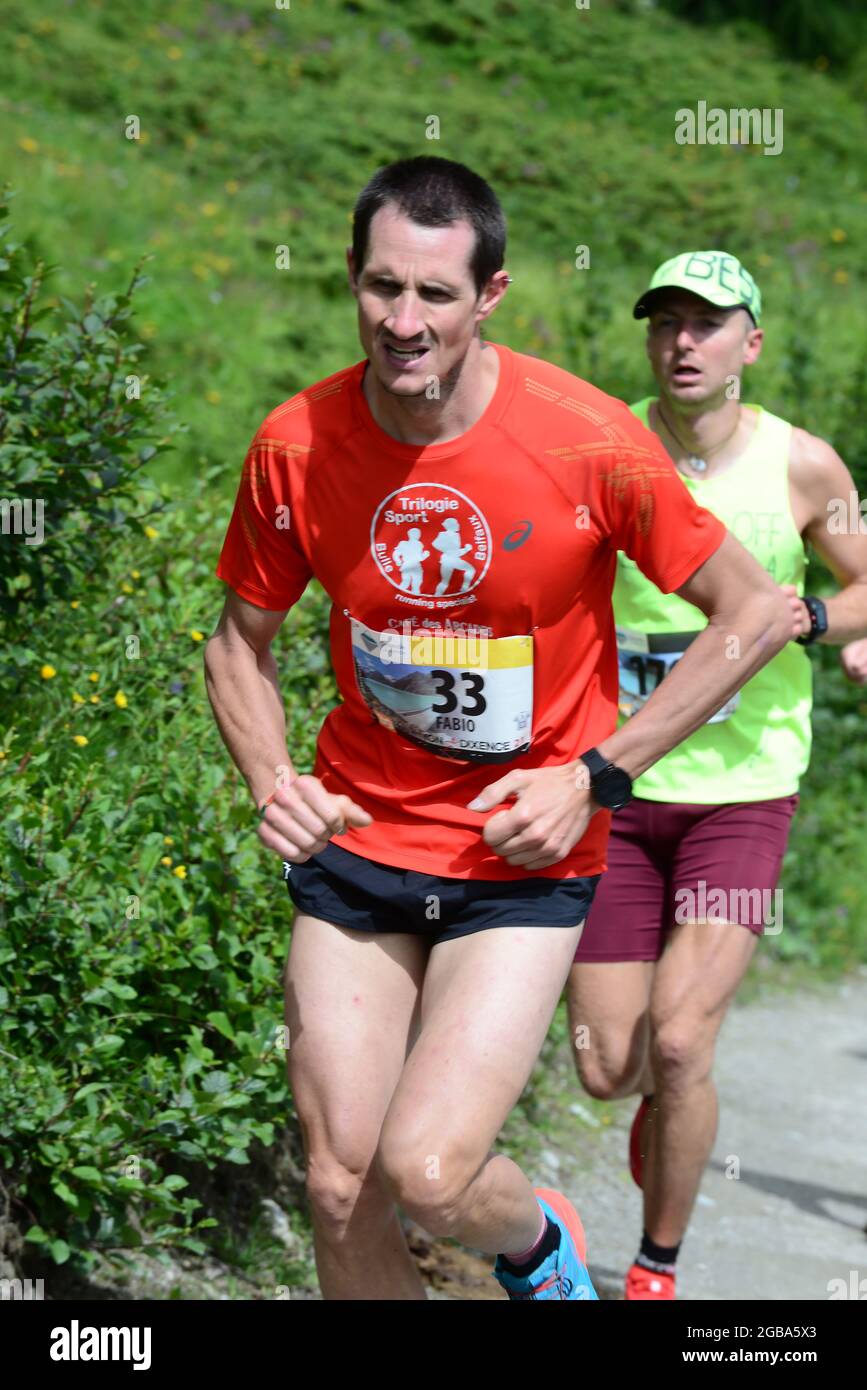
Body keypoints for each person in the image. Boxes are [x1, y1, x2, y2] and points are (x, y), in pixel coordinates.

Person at [204, 172, 791, 1301]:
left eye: (435, 291)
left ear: (492, 296)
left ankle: (538, 1248)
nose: (404, 321)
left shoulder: (589, 440)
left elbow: (755, 610)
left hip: (519, 852)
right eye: (382, 287)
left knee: (427, 1169)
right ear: (352, 281)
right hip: (359, 842)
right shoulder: (297, 444)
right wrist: (272, 779)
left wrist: (599, 774)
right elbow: (240, 643)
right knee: (338, 1182)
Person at [567, 250, 867, 1300]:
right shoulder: (601, 445)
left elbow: (865, 577)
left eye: (707, 324)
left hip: (742, 798)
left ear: (752, 344)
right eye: (666, 323)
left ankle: (655, 1270)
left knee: (685, 1040)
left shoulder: (802, 467)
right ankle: (659, 1107)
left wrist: (821, 619)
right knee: (609, 1065)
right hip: (609, 787)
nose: (682, 343)